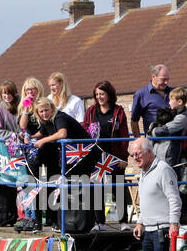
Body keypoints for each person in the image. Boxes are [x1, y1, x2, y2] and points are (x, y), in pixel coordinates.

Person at [29, 96, 98, 229]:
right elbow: (40, 133)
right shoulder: (46, 121)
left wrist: (43, 141)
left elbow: (62, 134)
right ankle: (68, 221)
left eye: (46, 110)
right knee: (67, 185)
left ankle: (85, 222)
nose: (44, 113)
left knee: (80, 184)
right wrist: (26, 137)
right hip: (74, 157)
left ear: (52, 108)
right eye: (41, 111)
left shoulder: (59, 117)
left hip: (86, 154)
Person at [129, 138, 181, 251]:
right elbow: (146, 202)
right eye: (132, 155)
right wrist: (140, 222)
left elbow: (174, 198)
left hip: (162, 229)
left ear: (150, 152)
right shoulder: (143, 172)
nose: (135, 158)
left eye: (138, 154)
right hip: (148, 230)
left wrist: (174, 223)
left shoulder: (163, 170)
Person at [86, 80, 130, 223]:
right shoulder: (91, 111)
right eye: (97, 94)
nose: (99, 97)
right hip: (96, 157)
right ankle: (100, 222)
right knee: (97, 190)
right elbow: (85, 131)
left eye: (102, 94)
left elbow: (124, 136)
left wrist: (123, 157)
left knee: (118, 188)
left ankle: (123, 221)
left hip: (114, 156)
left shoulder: (118, 111)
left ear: (109, 94)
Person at [130, 64, 173, 135]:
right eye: (163, 79)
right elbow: (134, 121)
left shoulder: (173, 92)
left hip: (173, 140)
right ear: (153, 76)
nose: (166, 82)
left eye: (168, 79)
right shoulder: (141, 94)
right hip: (153, 140)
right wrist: (138, 140)